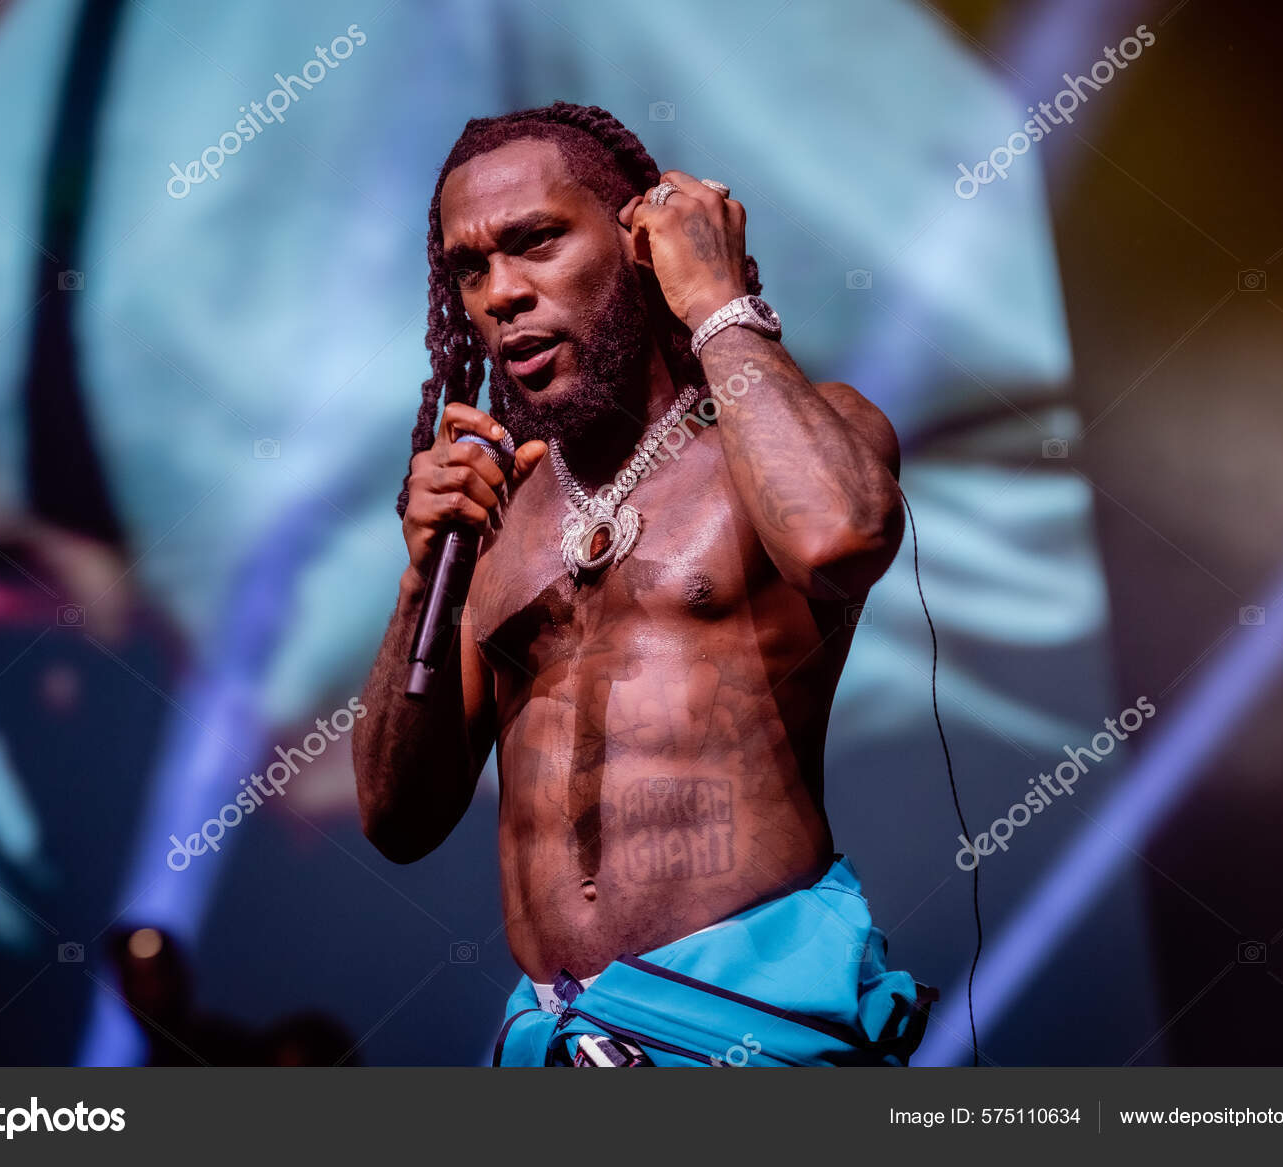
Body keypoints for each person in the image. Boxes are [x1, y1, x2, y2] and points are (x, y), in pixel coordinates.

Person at [353, 102, 933, 1066]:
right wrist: (423, 581)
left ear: (639, 241)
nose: (501, 292)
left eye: (535, 242)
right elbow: (397, 819)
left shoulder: (795, 436)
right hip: (554, 1040)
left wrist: (714, 300)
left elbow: (839, 540)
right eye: (471, 267)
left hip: (751, 1026)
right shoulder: (497, 513)